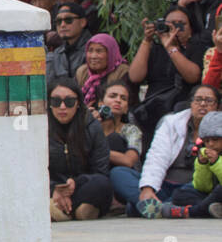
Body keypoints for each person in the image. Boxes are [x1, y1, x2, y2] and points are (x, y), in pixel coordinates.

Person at [136, 83, 221, 218]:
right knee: (120, 174)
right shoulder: (172, 122)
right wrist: (148, 188)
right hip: (166, 185)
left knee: (199, 193)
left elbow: (204, 184)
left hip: (195, 189)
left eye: (209, 101)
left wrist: (214, 161)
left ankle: (170, 209)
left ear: (217, 106)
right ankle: (162, 205)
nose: (203, 104)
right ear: (190, 103)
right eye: (198, 99)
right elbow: (156, 157)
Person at [128, 8, 205, 149]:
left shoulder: (196, 48)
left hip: (182, 110)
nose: (175, 29)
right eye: (170, 25)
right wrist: (146, 41)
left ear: (191, 30)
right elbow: (135, 76)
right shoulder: (155, 49)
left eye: (181, 25)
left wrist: (171, 48)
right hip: (153, 110)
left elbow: (193, 77)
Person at [46, 77, 112, 221]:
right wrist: (54, 189)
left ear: (77, 104)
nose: (62, 107)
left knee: (103, 184)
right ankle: (73, 209)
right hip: (51, 187)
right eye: (56, 102)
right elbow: (33, 172)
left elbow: (100, 171)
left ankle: (61, 209)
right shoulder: (40, 128)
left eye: (69, 102)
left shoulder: (92, 127)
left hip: (82, 186)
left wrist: (77, 183)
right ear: (49, 104)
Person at [96, 81, 142, 215]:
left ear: (127, 108)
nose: (118, 100)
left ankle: (116, 201)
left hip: (123, 178)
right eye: (112, 96)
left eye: (123, 98)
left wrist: (97, 151)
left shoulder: (131, 130)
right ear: (100, 103)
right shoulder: (91, 125)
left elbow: (129, 161)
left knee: (114, 139)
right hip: (97, 178)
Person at [179, 110, 222, 218]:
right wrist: (202, 164)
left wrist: (217, 162)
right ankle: (212, 208)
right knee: (181, 193)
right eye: (207, 141)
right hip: (212, 196)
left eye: (215, 139)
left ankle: (191, 211)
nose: (211, 144)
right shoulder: (206, 152)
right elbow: (202, 187)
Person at [74, 33, 127, 109]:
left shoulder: (122, 72)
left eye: (99, 51)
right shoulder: (82, 71)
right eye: (90, 51)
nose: (93, 56)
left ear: (110, 53)